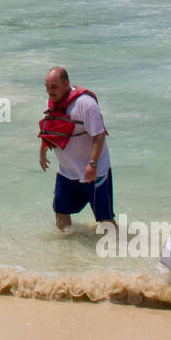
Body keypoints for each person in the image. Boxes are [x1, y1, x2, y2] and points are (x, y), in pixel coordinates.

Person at [38, 66, 116, 231]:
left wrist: (92, 163)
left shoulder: (85, 104)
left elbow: (99, 135)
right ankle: (68, 251)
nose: (50, 92)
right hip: (67, 172)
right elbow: (49, 128)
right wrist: (42, 151)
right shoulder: (51, 102)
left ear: (66, 84)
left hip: (95, 173)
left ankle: (118, 249)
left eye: (54, 87)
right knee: (60, 211)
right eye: (47, 87)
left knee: (105, 219)